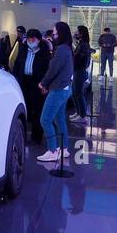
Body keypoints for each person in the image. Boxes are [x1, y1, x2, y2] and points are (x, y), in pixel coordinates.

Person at [37, 22, 74, 163]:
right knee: (59, 119)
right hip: (65, 88)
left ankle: (52, 150)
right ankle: (64, 149)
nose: (53, 35)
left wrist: (43, 83)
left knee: (45, 120)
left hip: (58, 89)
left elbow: (53, 70)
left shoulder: (62, 50)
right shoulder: (67, 48)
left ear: (61, 34)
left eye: (55, 33)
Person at [11, 28, 50, 144]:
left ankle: (37, 136)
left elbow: (47, 70)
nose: (31, 41)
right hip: (24, 82)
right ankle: (23, 136)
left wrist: (45, 85)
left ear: (38, 39)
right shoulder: (23, 49)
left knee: (38, 110)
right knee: (25, 108)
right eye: (29, 39)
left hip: (37, 83)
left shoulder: (43, 52)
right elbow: (17, 64)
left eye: (33, 39)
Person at [70, 24, 91, 120]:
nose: (75, 33)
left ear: (81, 33)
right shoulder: (81, 43)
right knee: (74, 93)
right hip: (77, 70)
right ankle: (78, 112)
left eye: (77, 31)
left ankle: (82, 115)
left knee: (78, 93)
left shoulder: (84, 45)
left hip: (80, 71)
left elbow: (80, 58)